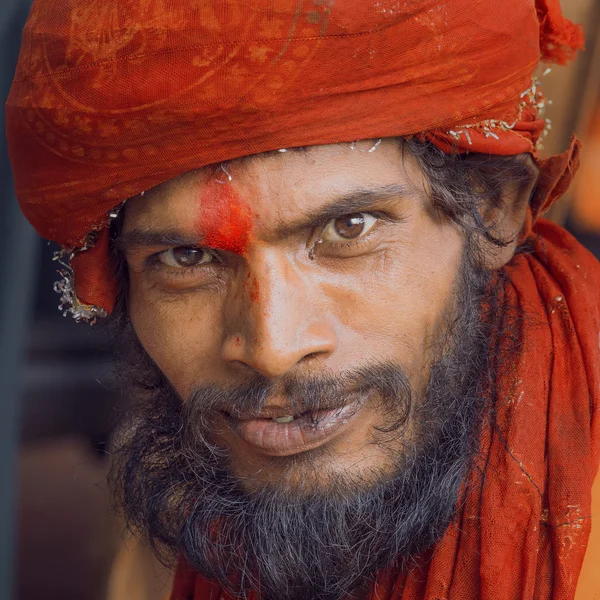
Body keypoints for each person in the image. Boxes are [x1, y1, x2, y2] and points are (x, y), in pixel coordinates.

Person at [6, 1, 600, 599]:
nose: (273, 349)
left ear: (495, 213)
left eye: (350, 229)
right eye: (186, 259)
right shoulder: (186, 517)